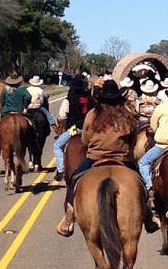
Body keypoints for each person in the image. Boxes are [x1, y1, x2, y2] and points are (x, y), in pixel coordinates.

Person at [57, 78, 147, 237]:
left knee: (74, 180)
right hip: (123, 159)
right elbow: (133, 139)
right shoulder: (126, 115)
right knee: (142, 183)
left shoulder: (92, 115)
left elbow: (85, 139)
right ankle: (148, 216)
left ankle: (69, 218)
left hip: (94, 157)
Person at [53, 73, 93, 176]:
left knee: (57, 146)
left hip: (75, 129)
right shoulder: (92, 99)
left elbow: (62, 116)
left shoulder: (68, 100)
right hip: (90, 131)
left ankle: (61, 170)